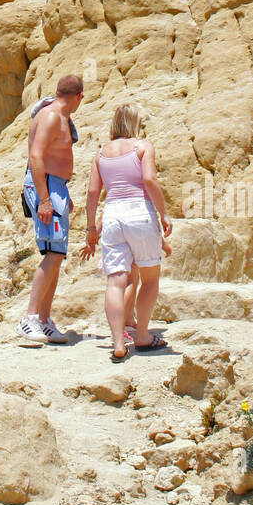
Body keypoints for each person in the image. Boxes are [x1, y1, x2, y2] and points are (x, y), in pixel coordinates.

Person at [81, 103, 172, 362]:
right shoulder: (143, 147)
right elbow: (150, 181)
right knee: (150, 277)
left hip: (112, 217)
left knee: (115, 281)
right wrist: (163, 212)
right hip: (139, 213)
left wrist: (90, 227)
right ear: (135, 123)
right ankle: (142, 335)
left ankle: (118, 342)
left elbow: (91, 193)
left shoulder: (100, 154)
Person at [18, 74, 84, 345]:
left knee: (56, 253)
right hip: (44, 184)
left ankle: (44, 320)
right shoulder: (51, 116)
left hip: (55, 186)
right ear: (79, 95)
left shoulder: (60, 116)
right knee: (52, 254)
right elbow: (36, 156)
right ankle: (29, 317)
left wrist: (60, 194)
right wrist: (45, 199)